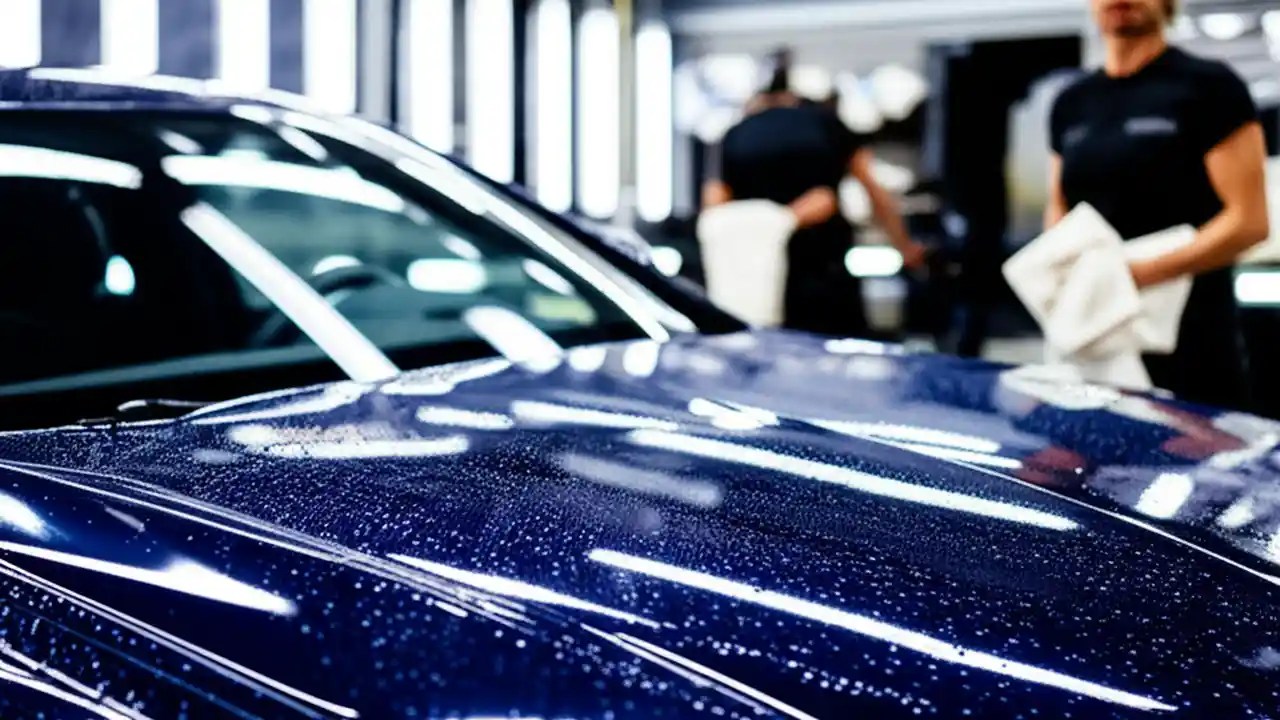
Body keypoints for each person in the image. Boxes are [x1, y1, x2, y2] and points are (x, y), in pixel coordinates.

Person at [1045, 0, 1270, 408]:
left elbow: (1249, 221)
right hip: (1097, 329)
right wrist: (1062, 276)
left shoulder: (1209, 87)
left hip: (1192, 338)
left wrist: (1137, 274)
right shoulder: (1071, 102)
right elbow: (1058, 207)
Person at [703, 57, 925, 337]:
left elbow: (714, 206)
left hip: (759, 279)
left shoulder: (735, 134)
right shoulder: (828, 125)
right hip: (823, 268)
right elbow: (875, 193)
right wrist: (904, 247)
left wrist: (762, 226)